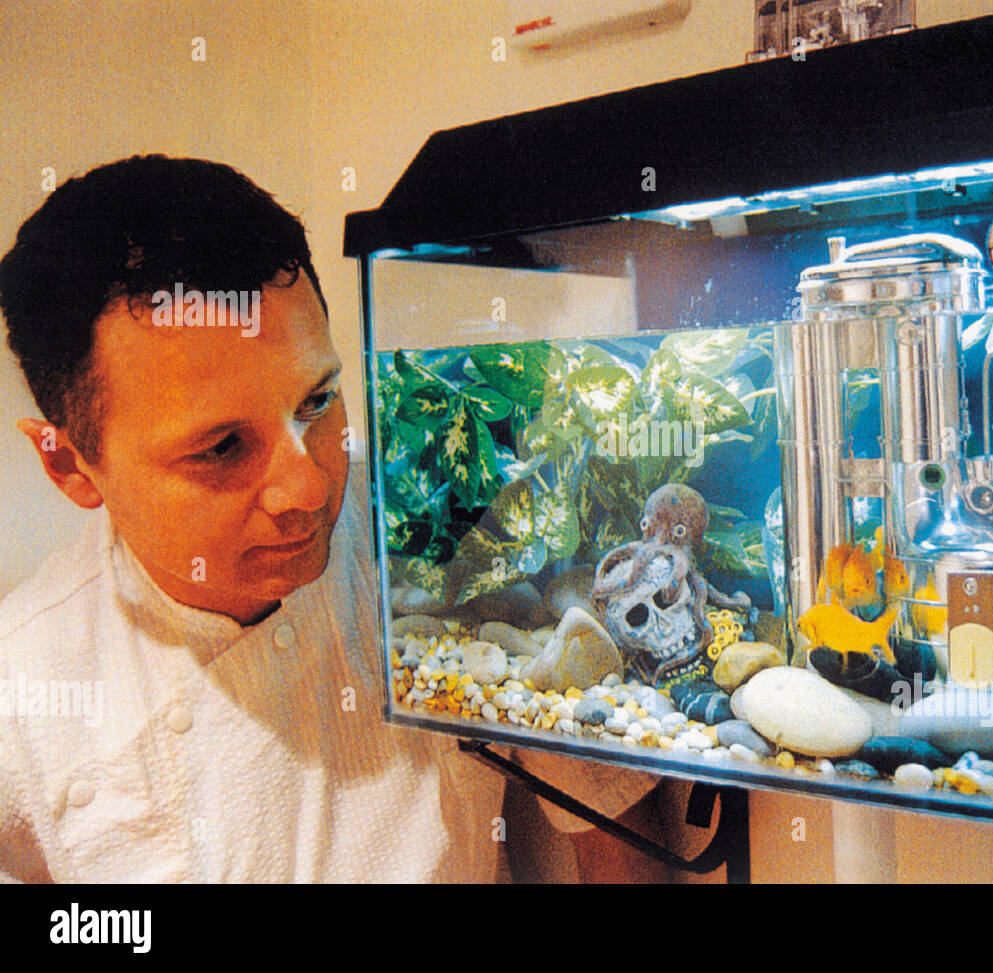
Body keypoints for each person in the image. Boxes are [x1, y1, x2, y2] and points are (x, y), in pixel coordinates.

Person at [0, 155, 656, 882]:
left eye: (316, 403)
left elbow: (613, 842)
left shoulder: (443, 534)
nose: (308, 487)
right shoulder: (23, 691)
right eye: (222, 447)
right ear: (68, 465)